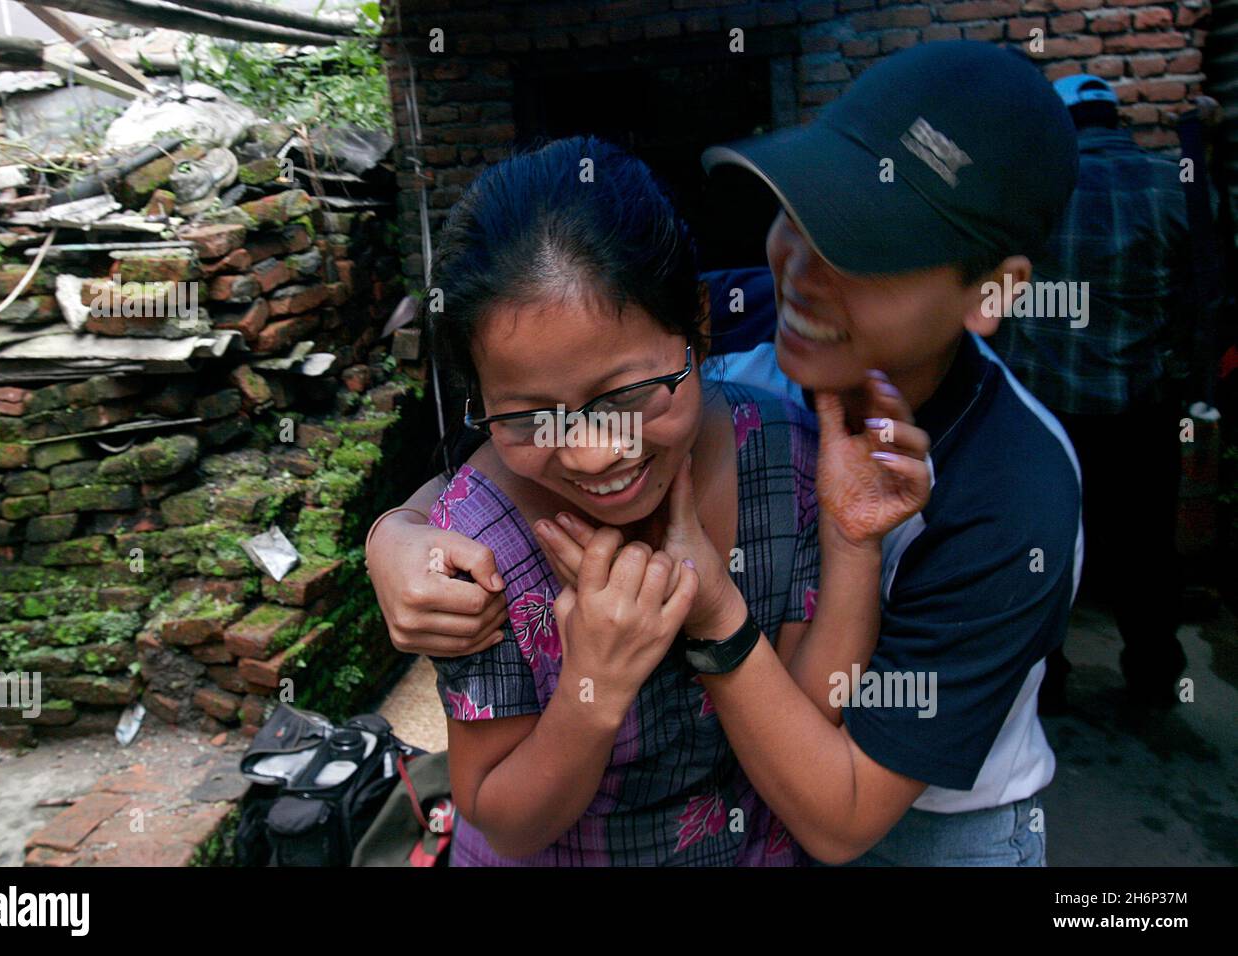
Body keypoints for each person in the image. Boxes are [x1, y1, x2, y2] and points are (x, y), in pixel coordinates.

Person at [367, 41, 1082, 866]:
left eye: (870, 248)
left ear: (995, 290)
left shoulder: (1014, 501)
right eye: (808, 213)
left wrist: (730, 609)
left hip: (911, 820)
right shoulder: (729, 325)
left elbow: (840, 815)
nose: (805, 275)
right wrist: (403, 529)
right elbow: (527, 414)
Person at [388, 135, 930, 865]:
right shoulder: (478, 551)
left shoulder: (787, 458)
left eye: (628, 394)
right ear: (480, 399)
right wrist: (594, 687)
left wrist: (851, 542)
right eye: (529, 414)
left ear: (699, 326)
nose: (592, 452)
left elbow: (814, 714)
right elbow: (501, 820)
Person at [992, 73, 1193, 713]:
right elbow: (1201, 292)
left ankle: (1047, 682)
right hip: (1142, 406)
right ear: (1115, 116)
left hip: (1046, 412)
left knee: (1044, 545)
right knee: (1147, 546)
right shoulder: (1174, 184)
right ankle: (1155, 676)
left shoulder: (1035, 188)